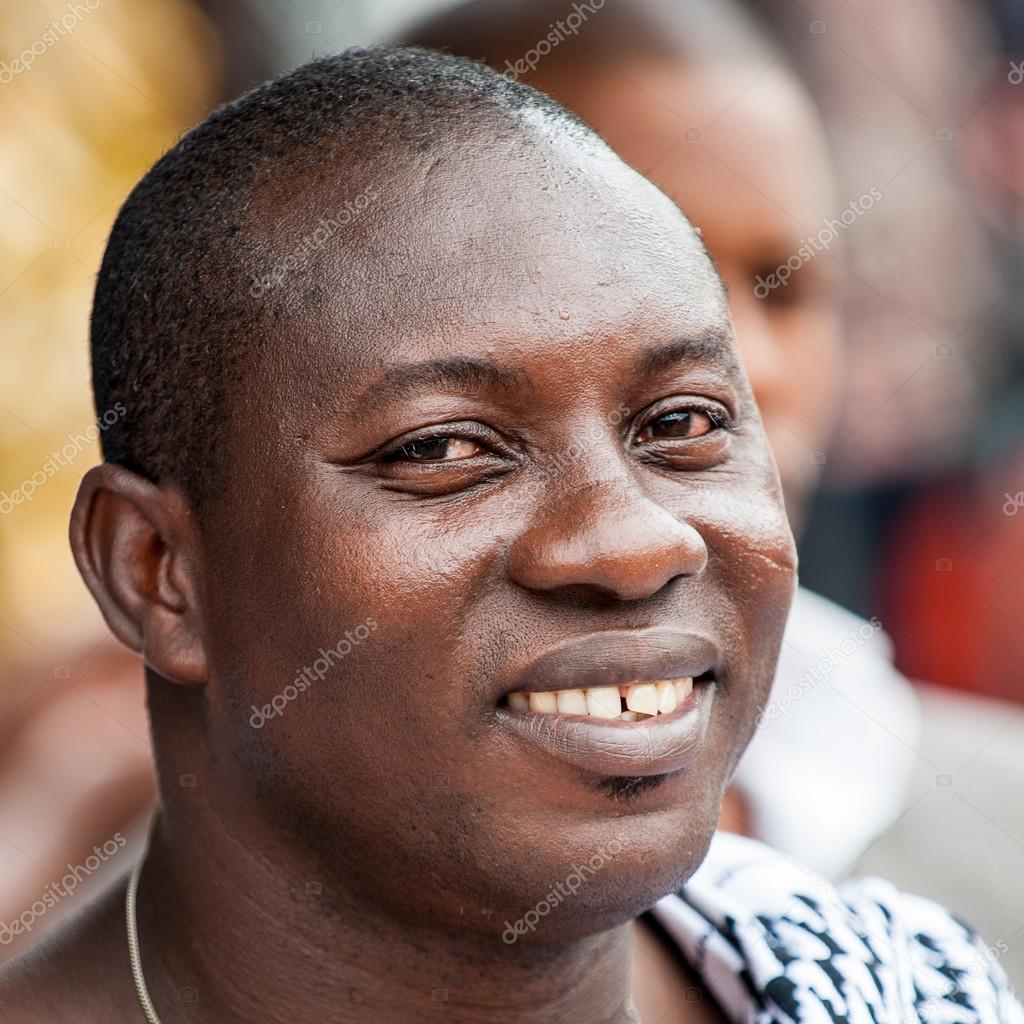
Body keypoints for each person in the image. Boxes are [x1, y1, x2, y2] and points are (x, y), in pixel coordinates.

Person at [0, 47, 1018, 1023]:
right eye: (445, 448)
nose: (636, 544)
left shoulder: (897, 989)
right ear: (157, 571)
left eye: (682, 423)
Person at [399, 0, 920, 876]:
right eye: (648, 284)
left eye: (787, 289)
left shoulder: (962, 796)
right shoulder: (200, 830)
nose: (753, 366)